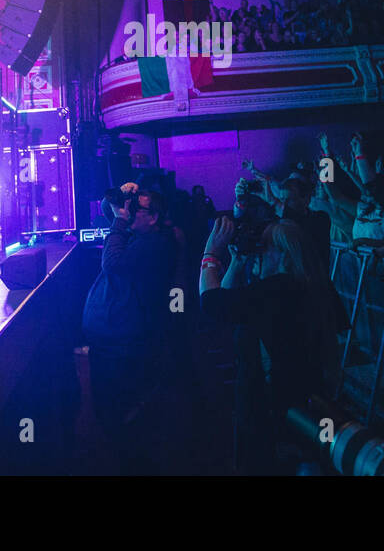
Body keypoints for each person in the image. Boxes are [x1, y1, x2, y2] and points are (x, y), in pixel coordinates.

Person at [200, 218, 342, 473]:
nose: (260, 252)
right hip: (304, 399)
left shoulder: (277, 289)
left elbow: (212, 303)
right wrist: (238, 262)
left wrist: (211, 253)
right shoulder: (313, 284)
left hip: (269, 408)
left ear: (285, 255)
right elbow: (227, 301)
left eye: (265, 247)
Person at [81, 187, 176, 472]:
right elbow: (105, 213)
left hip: (122, 344)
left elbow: (112, 264)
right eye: (131, 208)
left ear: (154, 217)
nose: (130, 213)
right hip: (114, 340)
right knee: (112, 411)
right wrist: (117, 198)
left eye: (138, 210)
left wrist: (120, 222)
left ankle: (137, 466)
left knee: (119, 413)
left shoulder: (155, 243)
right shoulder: (140, 236)